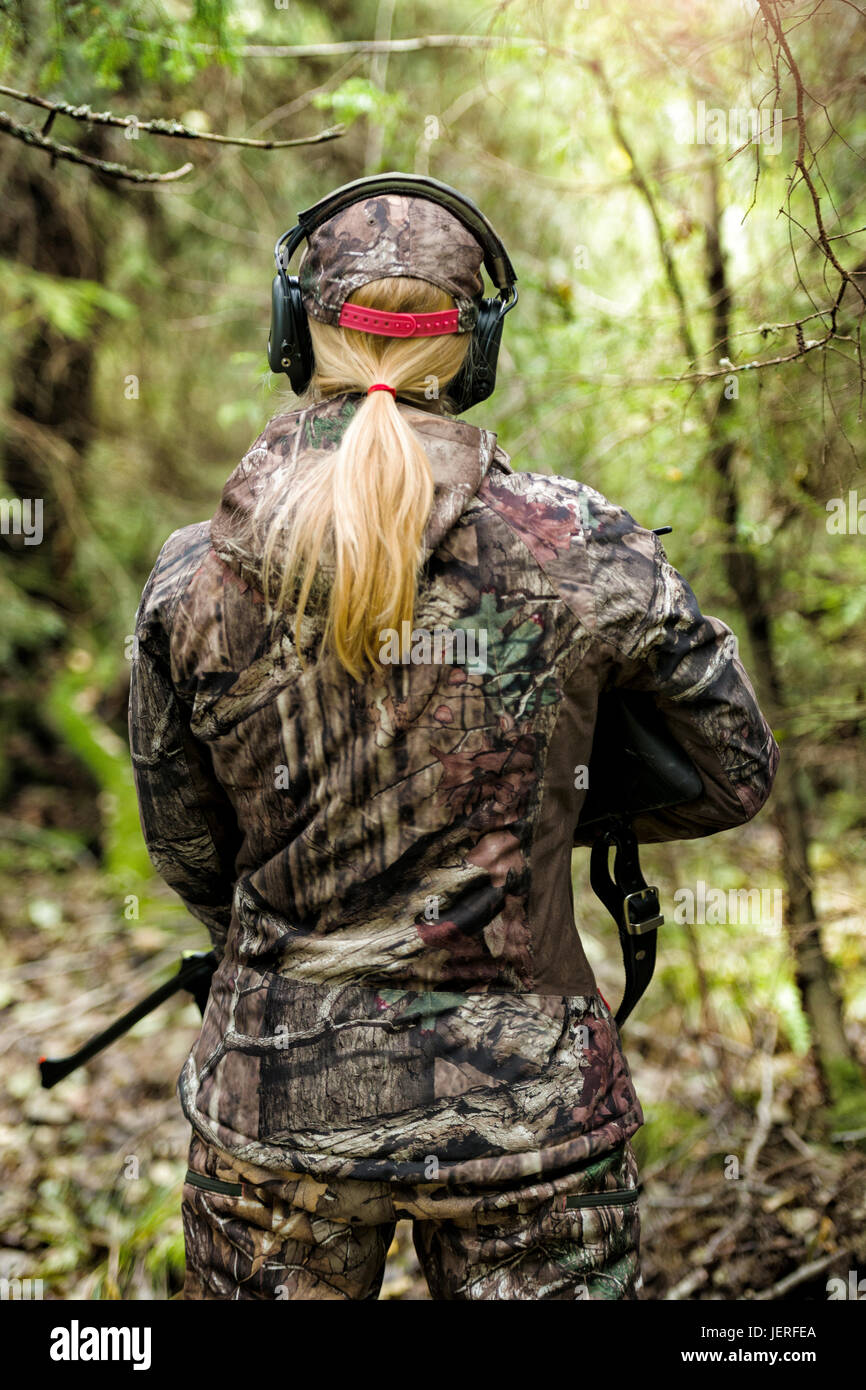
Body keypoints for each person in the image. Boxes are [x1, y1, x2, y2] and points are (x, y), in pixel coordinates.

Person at [128, 174, 780, 1301]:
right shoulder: (580, 543)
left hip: (273, 1117)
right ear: (471, 350)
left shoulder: (192, 573)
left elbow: (189, 853)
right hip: (527, 1120)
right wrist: (534, 813)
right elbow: (735, 770)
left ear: (295, 331)